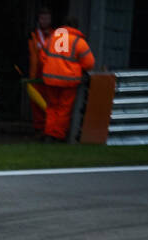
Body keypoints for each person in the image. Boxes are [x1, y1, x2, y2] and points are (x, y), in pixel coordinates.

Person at [39, 15, 95, 142]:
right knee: (64, 108)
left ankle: (48, 133)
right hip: (68, 81)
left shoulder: (52, 38)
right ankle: (57, 135)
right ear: (76, 27)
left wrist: (51, 68)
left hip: (50, 79)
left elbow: (42, 57)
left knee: (52, 107)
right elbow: (89, 64)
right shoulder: (79, 42)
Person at [27, 7, 52, 136]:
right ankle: (38, 128)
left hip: (49, 75)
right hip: (35, 73)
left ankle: (48, 128)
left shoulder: (55, 35)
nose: (44, 21)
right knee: (36, 103)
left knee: (49, 102)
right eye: (42, 18)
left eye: (47, 18)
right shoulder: (32, 35)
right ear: (38, 20)